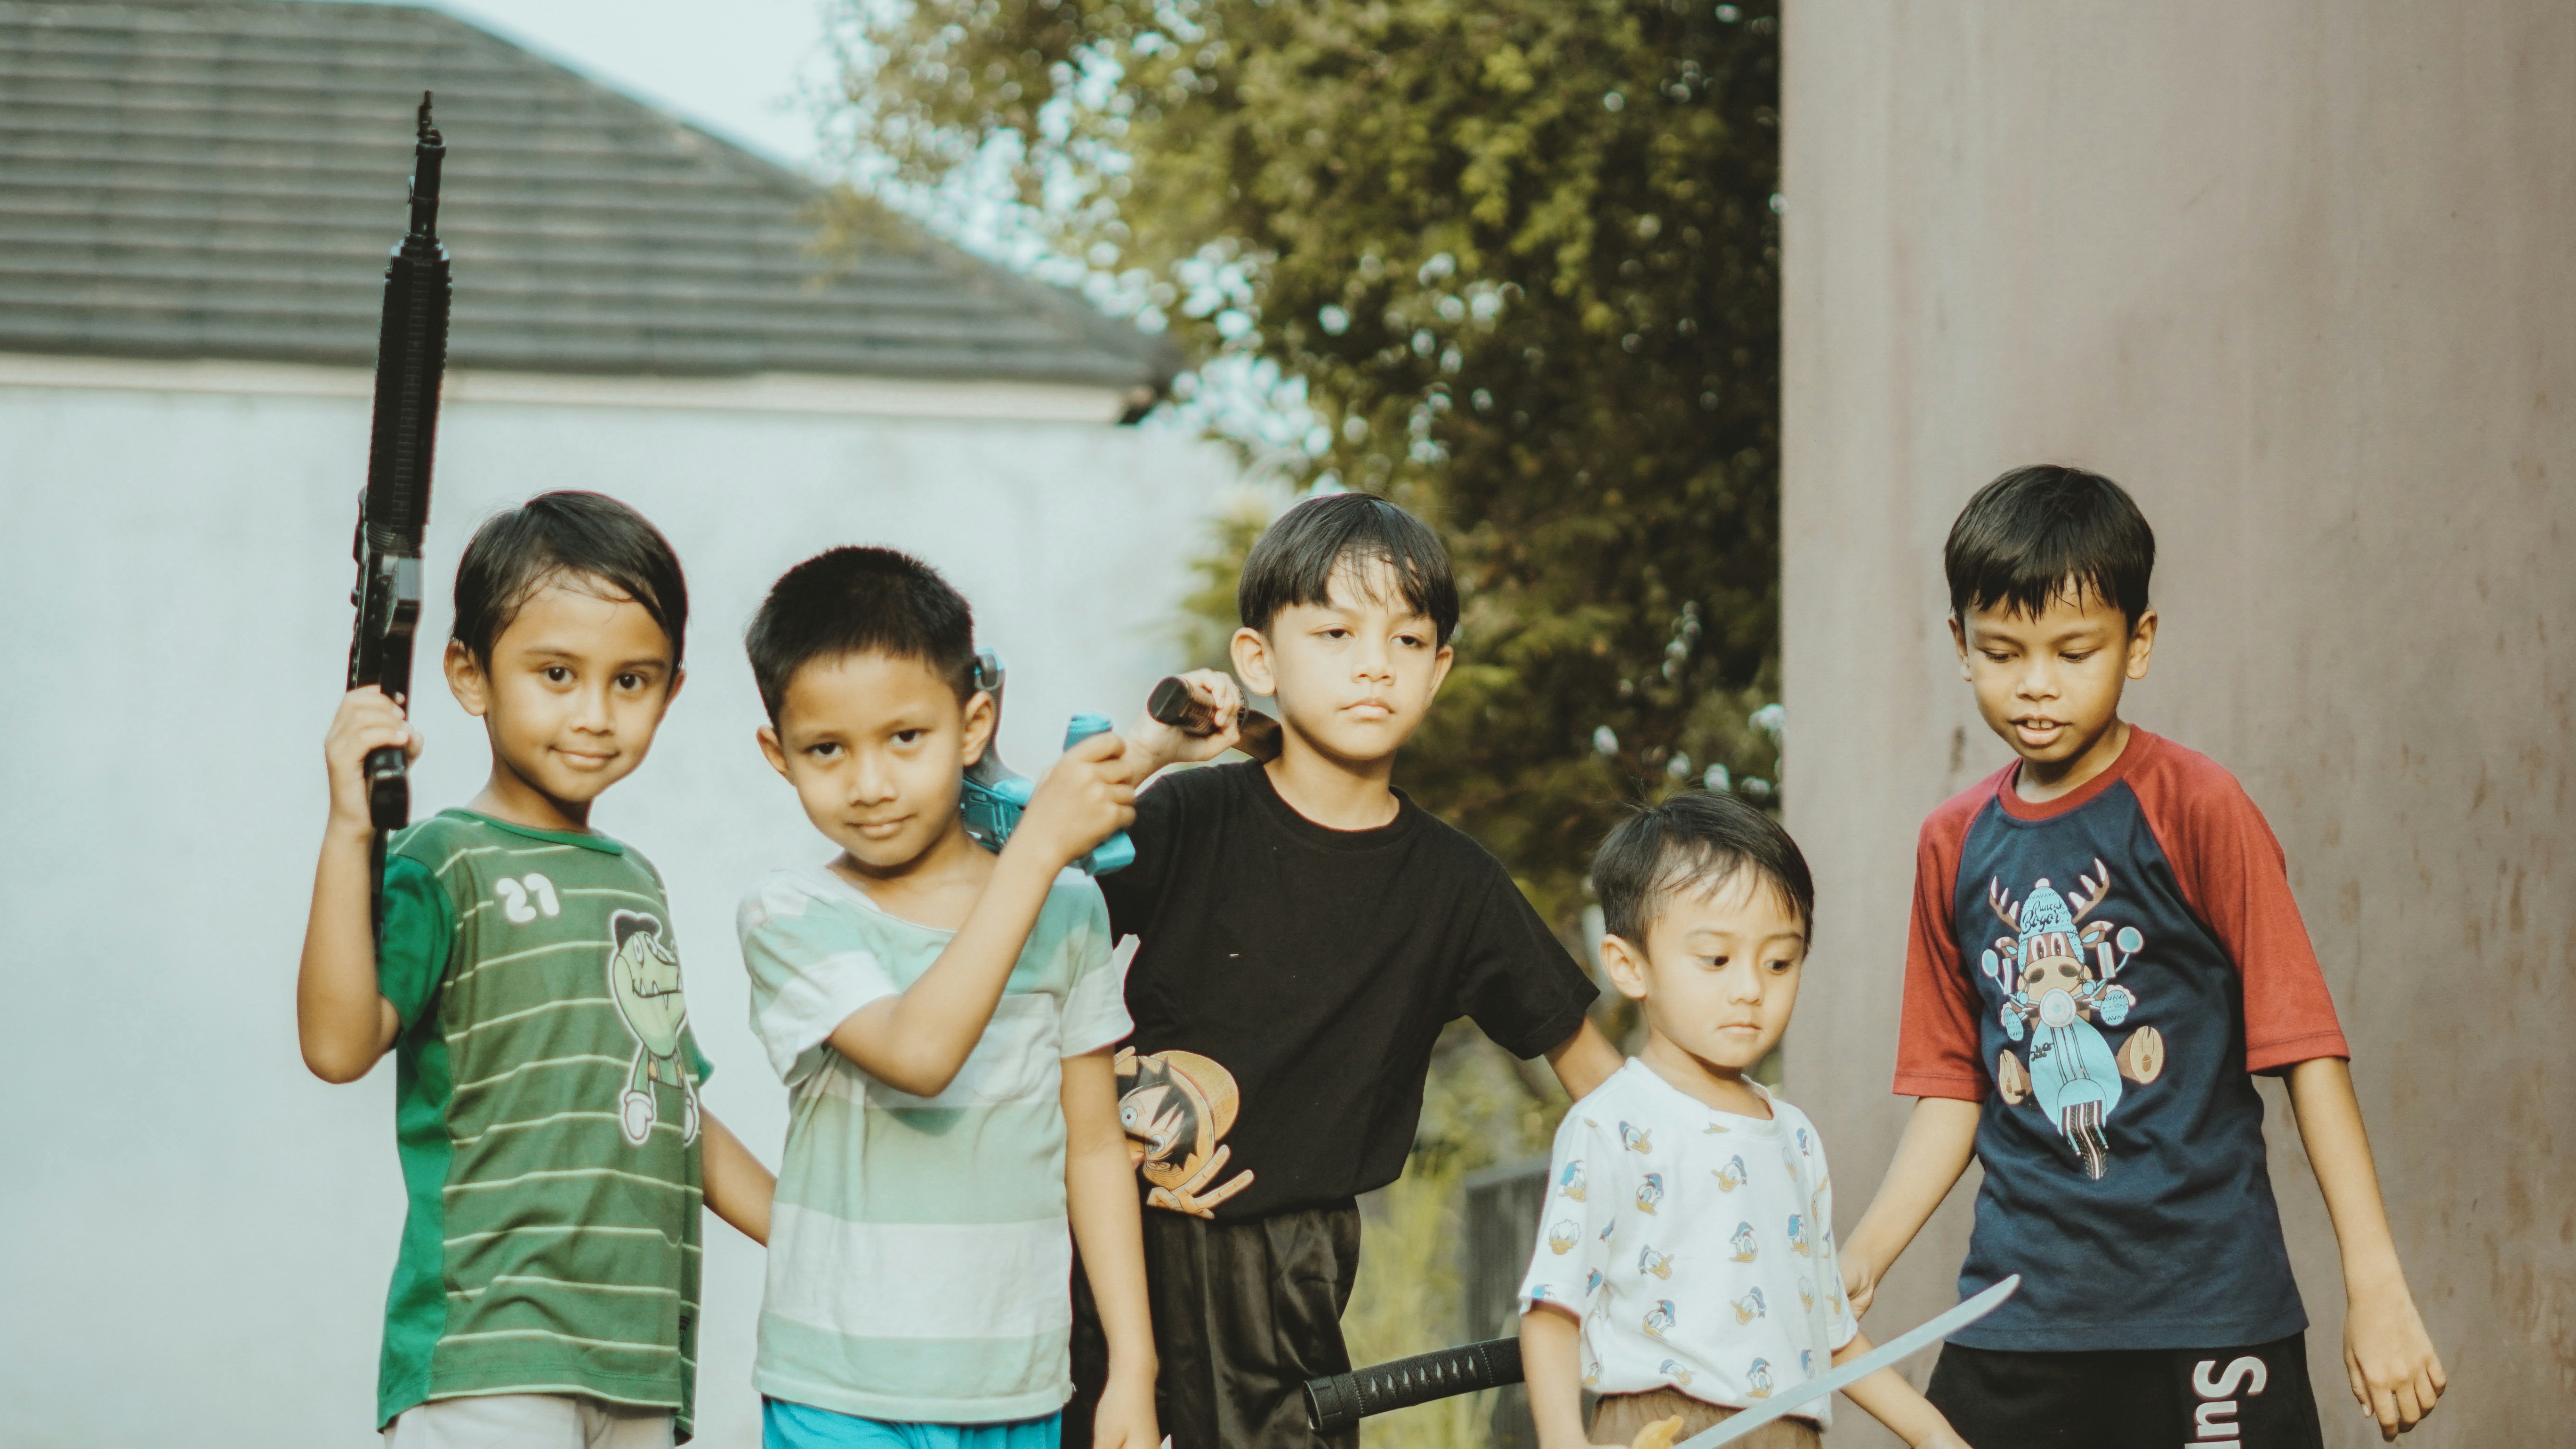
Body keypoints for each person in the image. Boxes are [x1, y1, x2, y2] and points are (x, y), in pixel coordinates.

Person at [1836, 465, 2448, 1447]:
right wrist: (1860, 1254)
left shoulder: (2198, 806)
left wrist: (2375, 1284)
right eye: (2002, 651)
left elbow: (2305, 1051)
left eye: (2074, 651)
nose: (2036, 682)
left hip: (2210, 1312)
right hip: (2017, 1318)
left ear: (2140, 643)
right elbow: (1956, 1088)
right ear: (1959, 647)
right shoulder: (1952, 843)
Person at [1078, 492, 1626, 1449]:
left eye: (1408, 641)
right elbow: (1022, 928)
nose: (1375, 664)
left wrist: (1700, 1198)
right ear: (1260, 660)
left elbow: (1601, 1086)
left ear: (1439, 669)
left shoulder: (1455, 885)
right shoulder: (1190, 817)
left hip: (1284, 1261)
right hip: (1112, 1224)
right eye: (1335, 632)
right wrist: (1154, 750)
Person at [297, 491, 775, 1448]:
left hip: (638, 1361)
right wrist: (352, 828)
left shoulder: (636, 880)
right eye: (557, 673)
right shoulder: (443, 859)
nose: (595, 715)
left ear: (672, 691)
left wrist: (825, 1234)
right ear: (470, 675)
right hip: (490, 1351)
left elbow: (671, 1095)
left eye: (631, 681)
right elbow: (338, 1044)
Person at [734, 546, 1161, 1449]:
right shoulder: (794, 913)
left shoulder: (1067, 907)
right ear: (778, 755)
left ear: (973, 726)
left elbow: (1094, 1148)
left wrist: (1133, 1366)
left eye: (905, 738)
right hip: (837, 1389)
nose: (870, 784)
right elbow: (919, 1055)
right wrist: (1040, 850)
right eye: (826, 750)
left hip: (1020, 1389)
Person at [1515, 792, 1972, 1449]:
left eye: (1779, 962)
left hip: (1789, 1436)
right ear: (1629, 966)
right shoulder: (1609, 1125)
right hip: (1662, 1429)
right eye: (1716, 960)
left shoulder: (1793, 1137)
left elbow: (1827, 1327)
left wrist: (1929, 1432)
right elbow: (1554, 1309)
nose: (1751, 989)